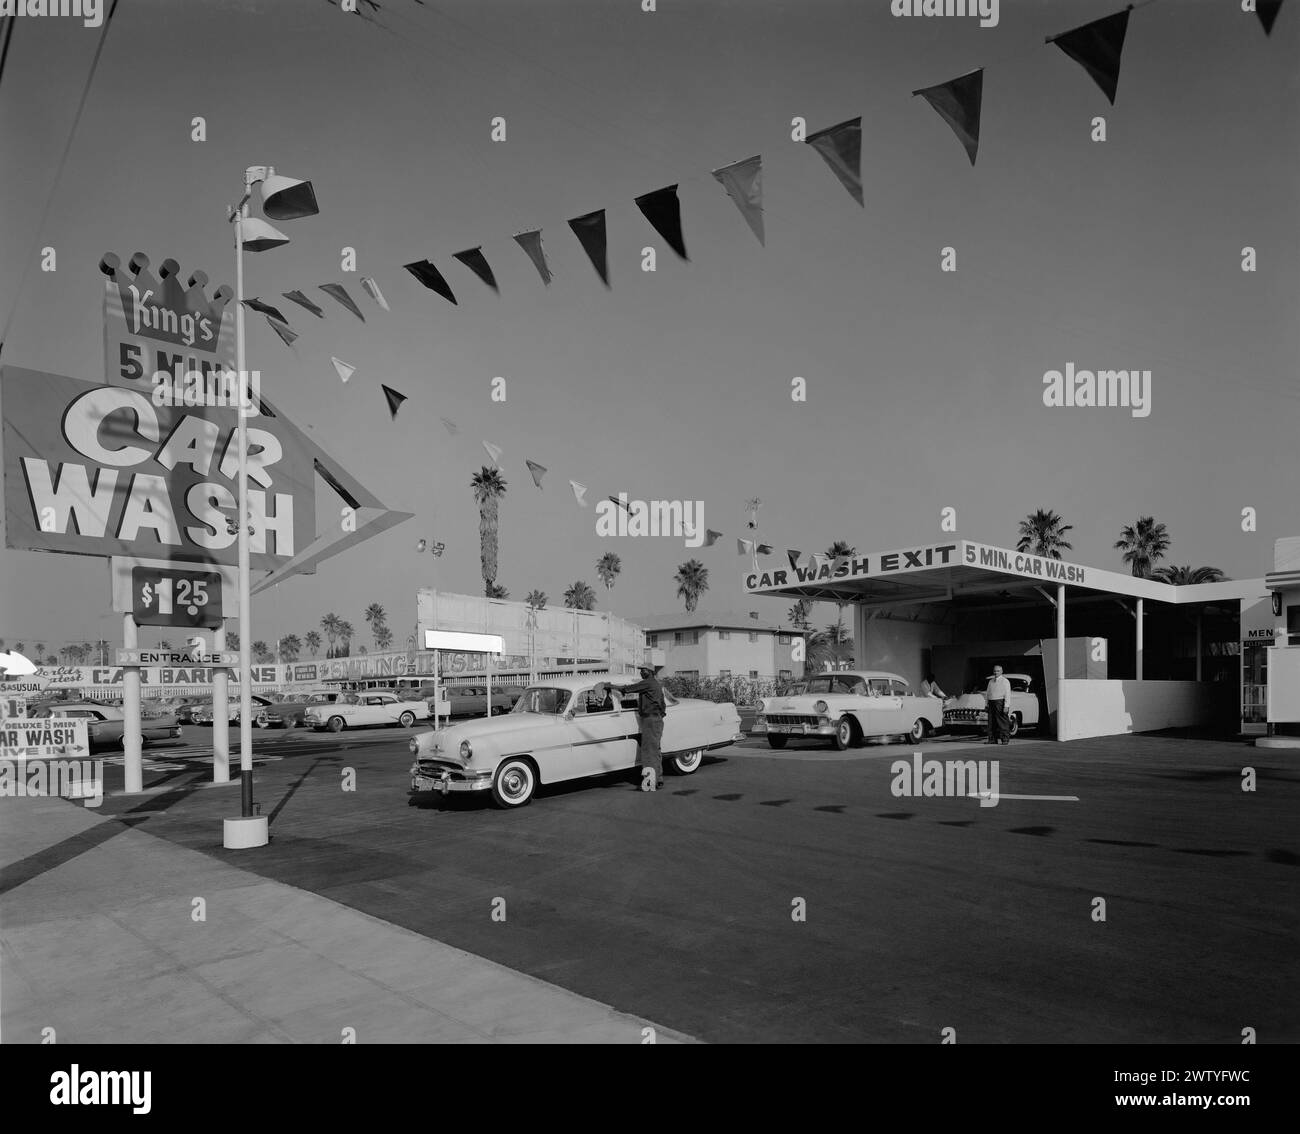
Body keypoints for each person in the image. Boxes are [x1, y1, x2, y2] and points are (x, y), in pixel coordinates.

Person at [609, 664, 667, 790]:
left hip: (650, 720)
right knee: (655, 750)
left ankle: (650, 782)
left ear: (650, 672)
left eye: (643, 670)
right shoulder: (656, 684)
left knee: (648, 751)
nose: (641, 672)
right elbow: (663, 706)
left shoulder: (648, 683)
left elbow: (627, 689)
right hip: (656, 719)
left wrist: (610, 686)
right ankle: (658, 778)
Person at [985, 665, 1012, 745]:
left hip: (1000, 702)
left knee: (1002, 722)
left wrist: (1006, 706)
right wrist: (986, 704)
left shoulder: (1005, 681)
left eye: (998, 671)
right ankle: (992, 739)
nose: (996, 672)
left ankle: (1005, 739)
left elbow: (1007, 694)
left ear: (1001, 671)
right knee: (991, 722)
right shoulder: (991, 681)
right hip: (991, 702)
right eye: (995, 671)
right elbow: (987, 693)